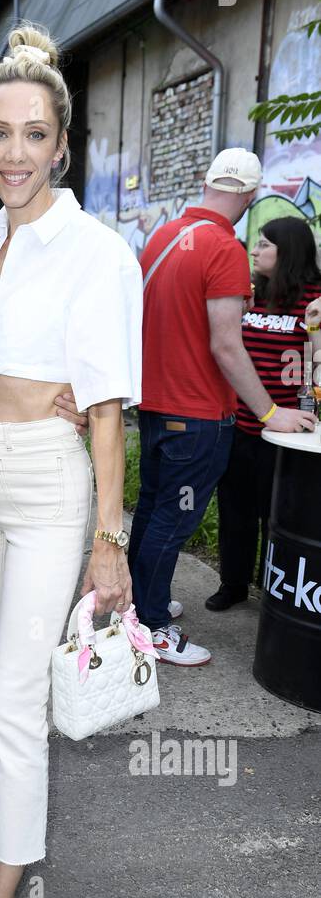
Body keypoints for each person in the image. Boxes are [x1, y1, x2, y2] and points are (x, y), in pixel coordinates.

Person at [0, 24, 141, 898]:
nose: (12, 152)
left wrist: (107, 538)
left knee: (18, 698)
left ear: (61, 144)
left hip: (44, 489)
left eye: (31, 134)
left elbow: (105, 404)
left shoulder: (95, 250)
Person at [128, 148, 313, 666]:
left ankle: (141, 604)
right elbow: (226, 345)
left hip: (155, 406)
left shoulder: (160, 238)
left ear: (208, 182)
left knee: (151, 508)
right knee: (173, 518)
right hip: (200, 416)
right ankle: (152, 626)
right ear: (250, 195)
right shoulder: (224, 247)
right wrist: (272, 413)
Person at [207, 217, 321, 610]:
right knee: (235, 510)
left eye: (265, 244)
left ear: (287, 251)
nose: (254, 251)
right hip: (240, 421)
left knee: (278, 517)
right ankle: (233, 584)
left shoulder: (315, 297)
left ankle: (274, 586)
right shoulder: (250, 293)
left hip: (289, 432)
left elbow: (318, 364)